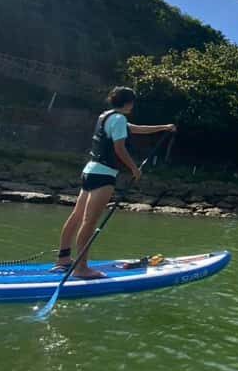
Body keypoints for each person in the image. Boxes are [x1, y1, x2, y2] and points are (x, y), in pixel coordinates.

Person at [52, 86, 175, 279]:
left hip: (89, 171)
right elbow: (119, 148)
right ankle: (81, 268)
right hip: (104, 175)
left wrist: (163, 128)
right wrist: (134, 169)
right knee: (89, 222)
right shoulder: (119, 119)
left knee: (76, 216)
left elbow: (136, 129)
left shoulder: (106, 116)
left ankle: (63, 260)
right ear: (128, 103)